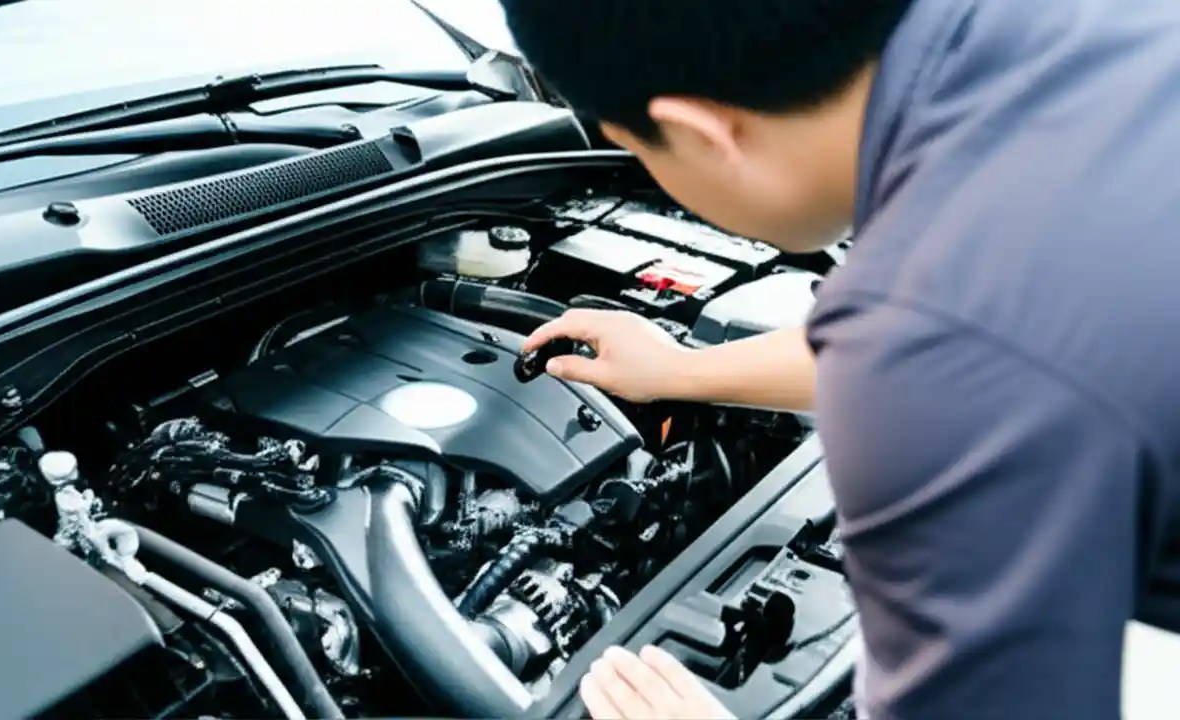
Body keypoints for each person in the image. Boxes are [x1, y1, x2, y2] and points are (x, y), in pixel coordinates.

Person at [497, 0, 1180, 718]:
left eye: (639, 150)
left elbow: (953, 347)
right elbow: (1000, 323)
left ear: (701, 132)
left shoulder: (932, 354)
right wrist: (682, 369)